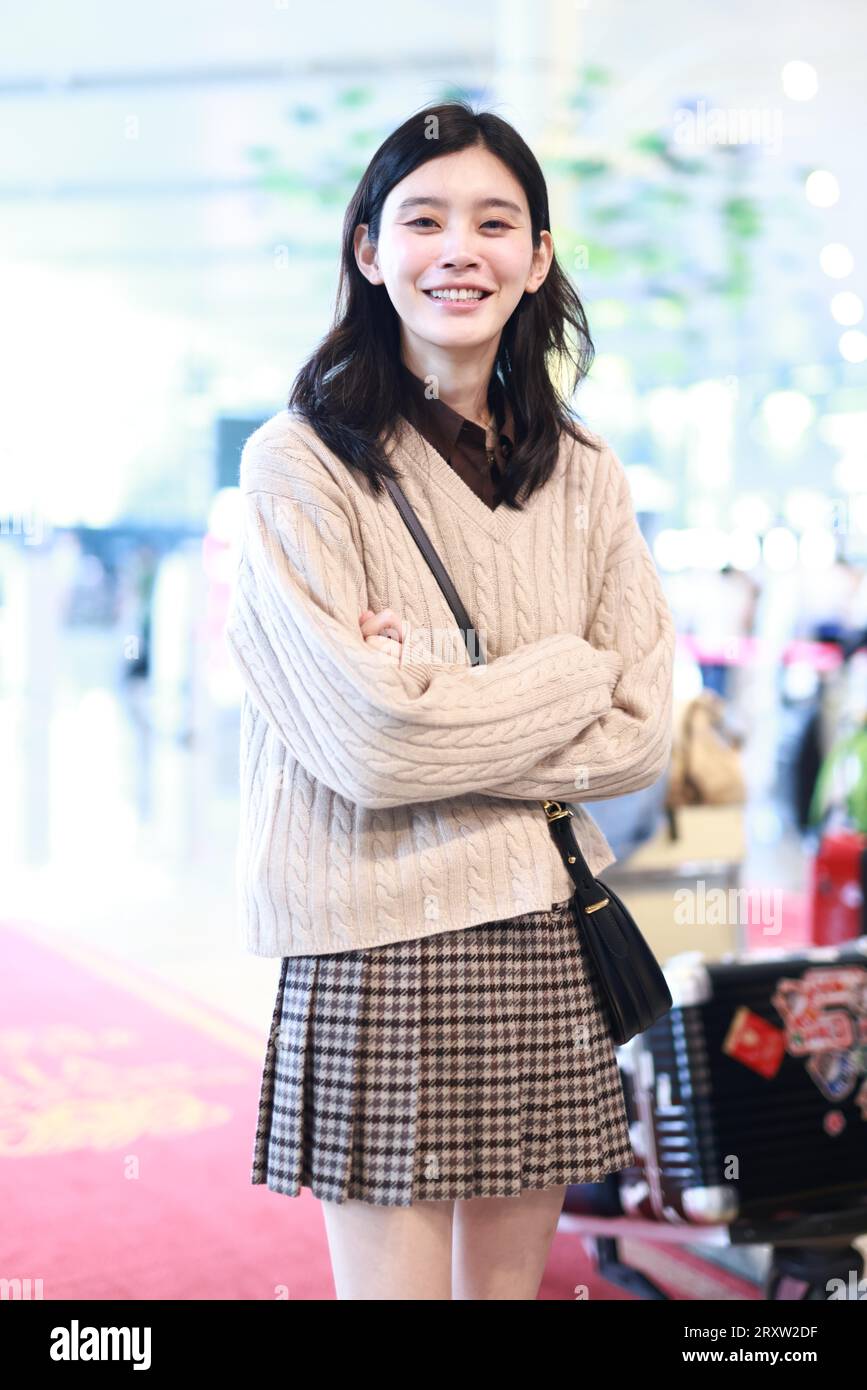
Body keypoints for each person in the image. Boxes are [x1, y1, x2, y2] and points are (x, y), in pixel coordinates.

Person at [225, 101, 675, 1300]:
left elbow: (640, 730)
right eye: (423, 219)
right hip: (370, 936)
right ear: (370, 250)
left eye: (494, 221)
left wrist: (436, 686)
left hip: (540, 924)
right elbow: (370, 744)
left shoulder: (585, 473)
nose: (458, 249)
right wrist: (567, 669)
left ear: (537, 259)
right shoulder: (299, 462)